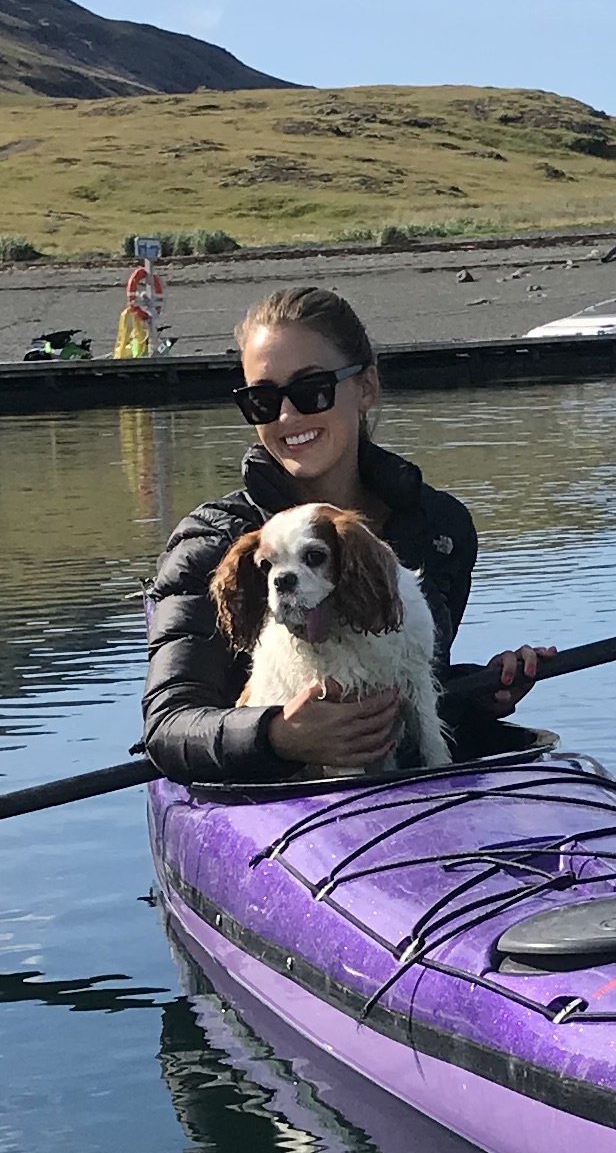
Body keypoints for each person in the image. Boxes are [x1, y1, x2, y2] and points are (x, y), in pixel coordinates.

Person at [142, 282, 553, 784]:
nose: (288, 416)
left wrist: (484, 687)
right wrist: (277, 735)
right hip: (266, 803)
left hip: (396, 786)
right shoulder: (209, 542)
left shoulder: (439, 528)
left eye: (311, 389)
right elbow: (168, 727)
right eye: (262, 400)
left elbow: (403, 681)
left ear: (366, 388)